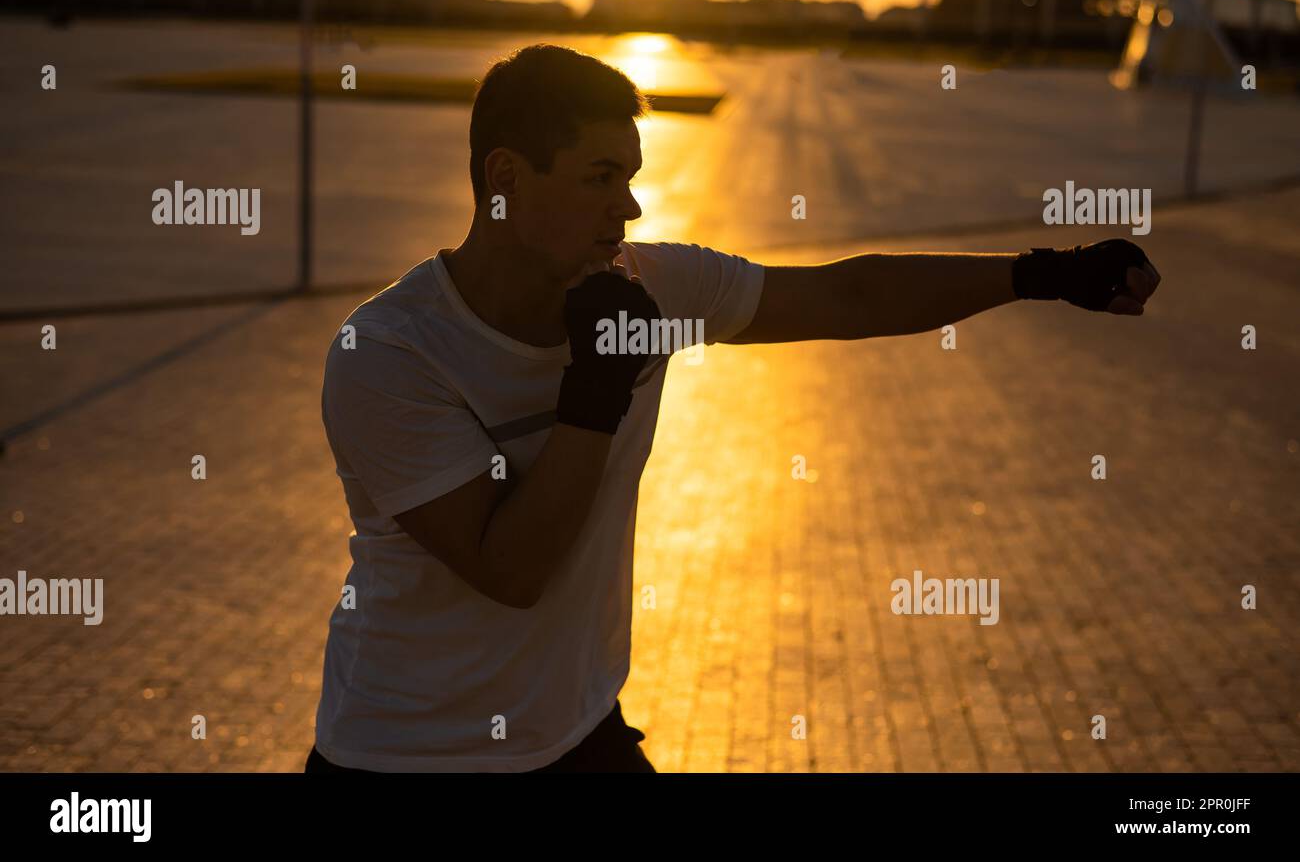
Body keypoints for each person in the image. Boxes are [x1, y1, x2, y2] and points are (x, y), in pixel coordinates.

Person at [306, 43, 1161, 774]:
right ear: (505, 179)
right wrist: (597, 388)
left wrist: (1042, 273)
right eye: (601, 178)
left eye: (632, 178)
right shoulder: (389, 353)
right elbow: (512, 572)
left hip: (575, 732)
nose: (630, 207)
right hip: (406, 755)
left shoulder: (650, 284)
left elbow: (846, 297)